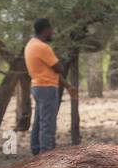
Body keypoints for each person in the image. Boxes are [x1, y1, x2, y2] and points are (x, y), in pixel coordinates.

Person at [24, 18, 78, 155]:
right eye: (51, 29)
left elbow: (52, 72)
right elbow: (59, 68)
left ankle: (36, 152)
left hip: (38, 87)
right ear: (46, 29)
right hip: (47, 88)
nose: (52, 32)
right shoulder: (43, 47)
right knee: (47, 124)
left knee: (39, 121)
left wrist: (67, 86)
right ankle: (46, 156)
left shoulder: (30, 45)